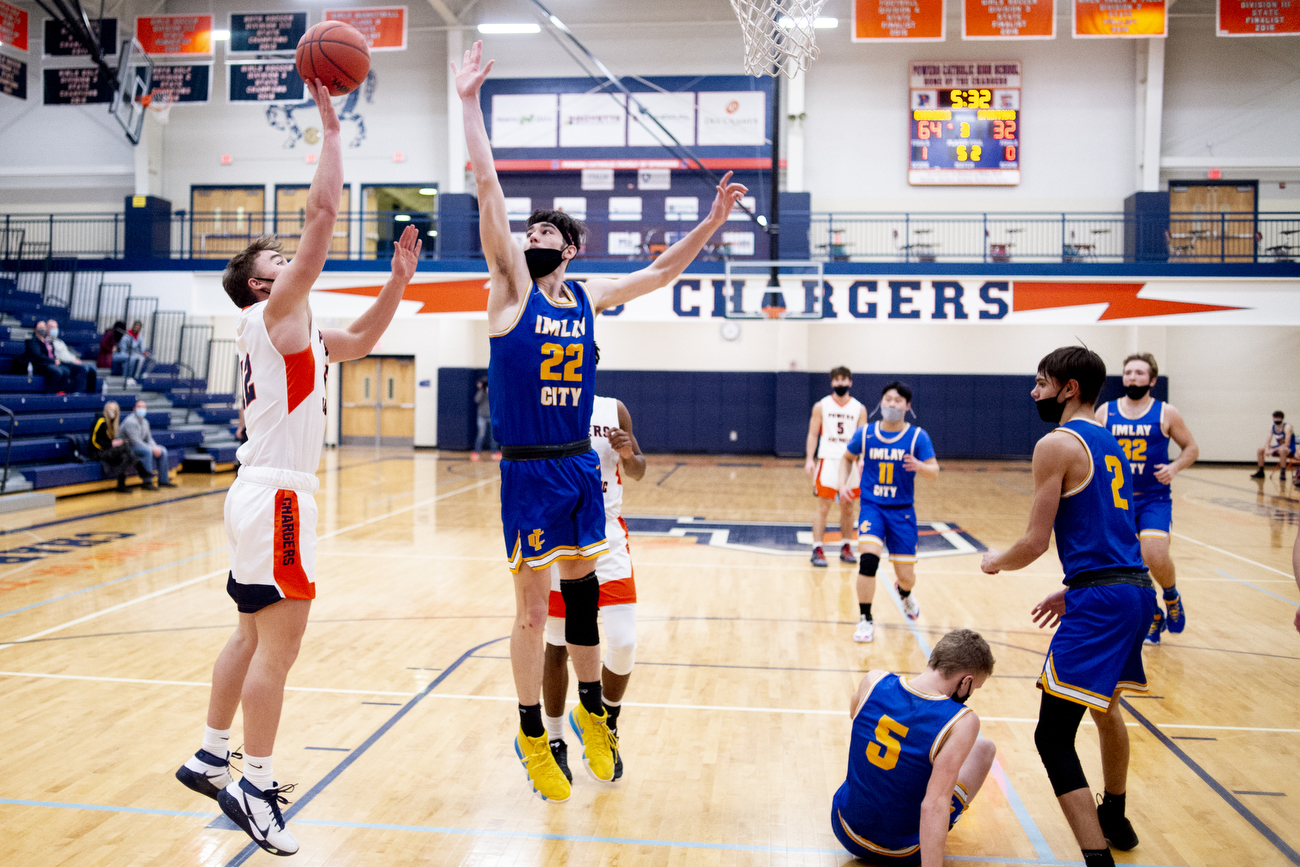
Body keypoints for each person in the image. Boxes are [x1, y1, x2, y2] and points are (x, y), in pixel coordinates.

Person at [454, 39, 747, 802]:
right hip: (527, 465)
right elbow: (488, 191)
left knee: (581, 601)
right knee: (528, 613)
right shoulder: (509, 288)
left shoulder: (585, 298)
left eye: (552, 231)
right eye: (534, 229)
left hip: (579, 465)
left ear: (574, 250)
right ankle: (528, 729)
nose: (537, 233)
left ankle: (590, 713)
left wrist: (712, 220)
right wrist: (466, 105)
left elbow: (658, 272)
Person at [173, 80, 421, 858]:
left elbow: (363, 341)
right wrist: (329, 127)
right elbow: (320, 216)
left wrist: (398, 282)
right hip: (279, 496)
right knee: (281, 648)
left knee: (249, 635)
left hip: (259, 492)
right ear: (260, 283)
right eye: (279, 261)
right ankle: (256, 782)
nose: (295, 260)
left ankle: (212, 752)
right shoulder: (275, 312)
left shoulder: (299, 333)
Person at [980, 346, 1159, 867]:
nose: (1034, 392)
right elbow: (1110, 529)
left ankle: (1096, 857)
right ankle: (1117, 814)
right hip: (1131, 588)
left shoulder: (1055, 444)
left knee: (1052, 735)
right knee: (1105, 707)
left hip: (1104, 597)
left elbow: (1034, 542)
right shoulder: (1109, 440)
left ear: (1069, 388)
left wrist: (995, 560)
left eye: (1041, 383)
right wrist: (1079, 585)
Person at [543, 392, 646, 783]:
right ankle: (554, 740)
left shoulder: (615, 409)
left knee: (623, 642)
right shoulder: (548, 404)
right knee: (557, 645)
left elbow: (639, 469)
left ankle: (605, 720)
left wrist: (628, 455)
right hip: (562, 535)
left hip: (608, 539)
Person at [832, 629, 997, 867]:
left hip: (845, 829)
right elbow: (934, 805)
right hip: (904, 851)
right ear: (966, 681)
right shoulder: (963, 721)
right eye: (974, 689)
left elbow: (853, 713)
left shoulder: (874, 680)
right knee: (984, 749)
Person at [1096, 353, 1198, 646]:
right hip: (1118, 501)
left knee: (1153, 554)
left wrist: (1174, 466)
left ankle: (1171, 596)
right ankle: (1153, 614)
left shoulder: (1166, 412)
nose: (1133, 377)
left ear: (1152, 380)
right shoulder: (1106, 412)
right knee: (1127, 565)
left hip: (1154, 498)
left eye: (1140, 373)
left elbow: (1191, 447)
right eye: (1128, 372)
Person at [838, 382, 939, 642]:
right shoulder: (866, 433)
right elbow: (847, 458)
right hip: (872, 508)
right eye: (887, 399)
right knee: (868, 561)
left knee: (906, 576)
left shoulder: (918, 436)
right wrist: (842, 485)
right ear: (881, 403)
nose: (891, 404)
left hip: (902, 512)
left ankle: (904, 593)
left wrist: (919, 465)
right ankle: (865, 619)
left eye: (897, 400)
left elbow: (934, 472)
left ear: (907, 406)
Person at [805, 366, 866, 567]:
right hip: (828, 460)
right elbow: (813, 433)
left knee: (848, 506)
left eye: (844, 379)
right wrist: (809, 459)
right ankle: (817, 548)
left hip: (850, 461)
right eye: (837, 379)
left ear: (850, 382)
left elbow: (863, 437)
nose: (840, 383)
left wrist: (863, 459)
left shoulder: (859, 408)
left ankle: (846, 546)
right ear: (832, 382)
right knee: (824, 506)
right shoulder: (821, 406)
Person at [119, 400, 175, 490]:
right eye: (139, 407)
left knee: (163, 451)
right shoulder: (130, 422)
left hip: (138, 446)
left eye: (143, 407)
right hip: (127, 448)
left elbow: (149, 438)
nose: (141, 409)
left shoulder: (145, 422)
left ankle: (164, 481)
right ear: (134, 409)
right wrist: (151, 449)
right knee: (147, 451)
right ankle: (147, 482)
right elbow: (135, 441)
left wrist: (155, 447)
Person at [91, 401, 138, 491]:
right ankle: (139, 467)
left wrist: (116, 442)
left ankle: (121, 484)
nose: (112, 412)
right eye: (110, 410)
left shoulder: (114, 424)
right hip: (97, 452)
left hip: (108, 451)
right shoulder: (100, 421)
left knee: (125, 455)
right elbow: (94, 441)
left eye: (115, 410)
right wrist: (111, 444)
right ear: (106, 410)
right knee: (126, 450)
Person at [46, 319, 96, 393]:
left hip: (70, 361)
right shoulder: (48, 341)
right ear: (47, 328)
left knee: (92, 368)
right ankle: (78, 393)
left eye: (56, 328)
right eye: (52, 327)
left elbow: (67, 354)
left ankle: (91, 394)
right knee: (82, 369)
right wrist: (73, 360)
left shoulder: (60, 342)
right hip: (63, 362)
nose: (54, 330)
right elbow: (60, 356)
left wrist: (74, 359)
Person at [24, 321, 72, 392]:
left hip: (50, 363)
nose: (42, 330)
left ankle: (60, 392)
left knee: (66, 371)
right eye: (40, 328)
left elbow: (52, 353)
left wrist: (55, 359)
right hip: (40, 364)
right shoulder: (33, 341)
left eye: (44, 328)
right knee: (58, 372)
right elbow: (38, 355)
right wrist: (52, 361)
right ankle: (50, 393)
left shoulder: (47, 341)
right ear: (35, 330)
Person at [1252, 411, 1292, 480]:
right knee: (1260, 450)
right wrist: (1267, 449)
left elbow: (1287, 443)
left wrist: (1272, 450)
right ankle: (1261, 471)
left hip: (1289, 447)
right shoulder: (1272, 426)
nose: (1276, 420)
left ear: (1282, 419)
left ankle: (1282, 473)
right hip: (1279, 446)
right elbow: (1268, 440)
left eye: (1278, 418)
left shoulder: (1287, 427)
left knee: (1282, 450)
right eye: (1275, 418)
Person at [115, 319, 153, 383]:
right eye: (136, 326)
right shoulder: (127, 335)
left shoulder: (140, 337)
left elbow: (141, 349)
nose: (137, 328)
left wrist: (145, 353)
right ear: (133, 326)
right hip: (128, 353)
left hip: (138, 353)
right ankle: (132, 377)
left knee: (151, 358)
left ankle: (145, 374)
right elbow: (123, 348)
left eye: (139, 326)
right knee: (136, 359)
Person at [472, 377, 498, 461]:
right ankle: (476, 451)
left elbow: (496, 399)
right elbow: (477, 400)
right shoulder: (481, 391)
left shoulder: (493, 390)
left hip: (491, 416)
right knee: (481, 434)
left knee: (493, 435)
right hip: (482, 416)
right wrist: (481, 390)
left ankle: (495, 451)